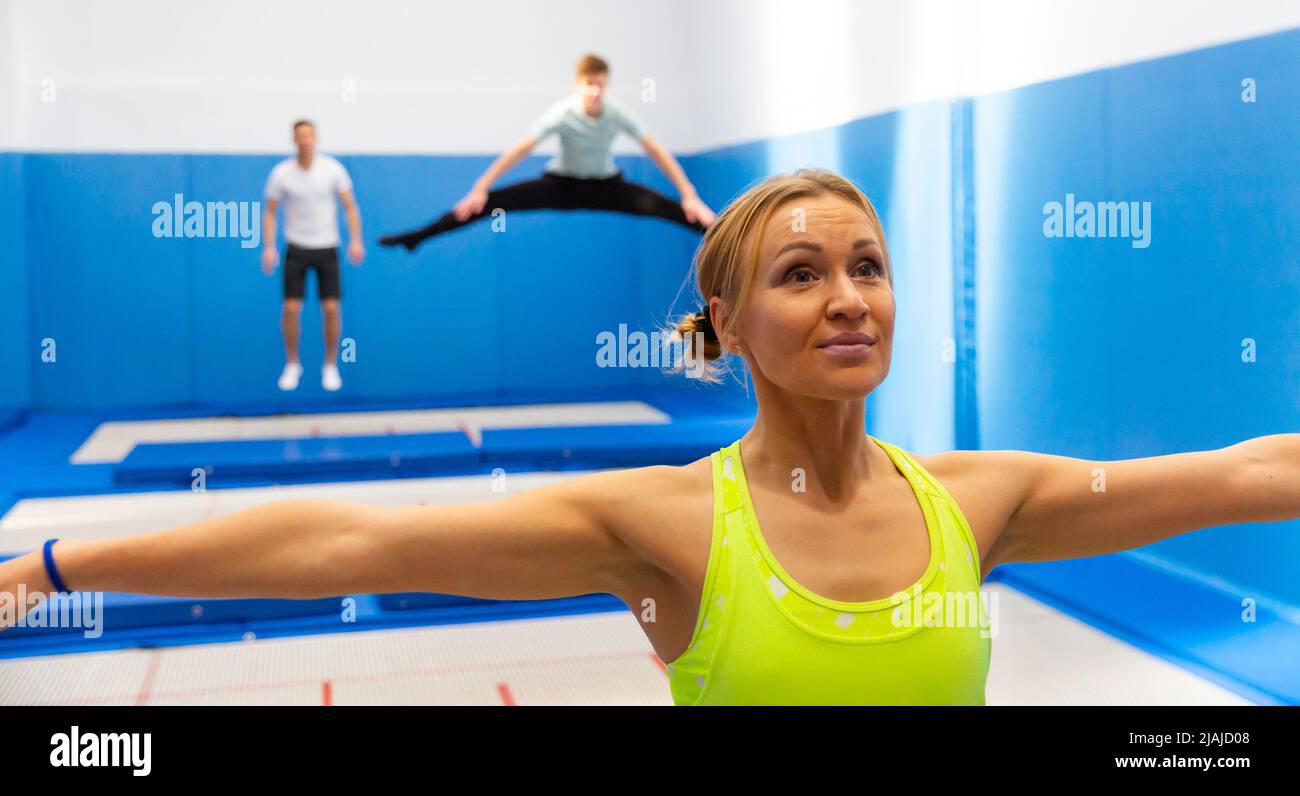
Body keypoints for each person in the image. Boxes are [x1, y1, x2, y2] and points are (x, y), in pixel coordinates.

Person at [4, 169, 1297, 706]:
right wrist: (60, 568)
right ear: (726, 326)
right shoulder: (670, 527)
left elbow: (1249, 472)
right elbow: (346, 535)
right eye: (802, 276)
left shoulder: (981, 499)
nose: (848, 297)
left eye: (868, 266)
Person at [378, 53, 715, 251]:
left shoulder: (616, 113)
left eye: (600, 84)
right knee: (491, 203)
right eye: (588, 84)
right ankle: (418, 236)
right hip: (562, 185)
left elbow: (654, 149)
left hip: (606, 187)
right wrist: (480, 187)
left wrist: (688, 194)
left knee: (672, 210)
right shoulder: (562, 112)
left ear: (606, 85)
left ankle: (722, 236)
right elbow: (523, 148)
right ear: (577, 84)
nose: (594, 91)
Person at [262, 119, 365, 392]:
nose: (305, 140)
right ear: (294, 140)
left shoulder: (333, 170)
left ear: (315, 138)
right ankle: (293, 363)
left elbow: (350, 207)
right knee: (291, 308)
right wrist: (269, 246)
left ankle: (330, 364)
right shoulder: (281, 174)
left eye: (309, 135)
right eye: (300, 136)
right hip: (296, 247)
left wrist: (356, 240)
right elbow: (270, 212)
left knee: (331, 308)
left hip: (327, 247)